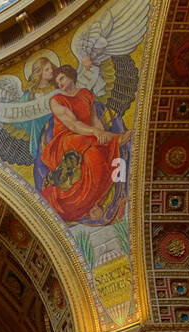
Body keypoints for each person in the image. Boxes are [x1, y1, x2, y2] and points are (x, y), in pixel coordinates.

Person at [39, 65, 132, 225]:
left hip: (88, 136)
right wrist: (96, 133)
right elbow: (73, 125)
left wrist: (102, 135)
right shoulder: (56, 101)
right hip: (66, 140)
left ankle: (93, 202)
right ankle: (118, 139)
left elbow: (94, 118)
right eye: (57, 82)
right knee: (87, 146)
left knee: (97, 154)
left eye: (61, 78)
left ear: (70, 76)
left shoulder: (86, 94)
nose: (59, 83)